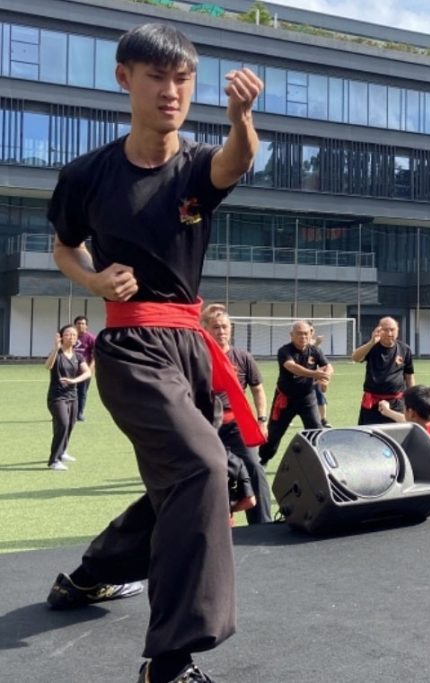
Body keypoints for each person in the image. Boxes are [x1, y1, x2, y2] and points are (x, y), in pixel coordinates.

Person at [45, 23, 264, 683]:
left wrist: (242, 119)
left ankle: (89, 577)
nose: (172, 91)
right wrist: (91, 279)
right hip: (130, 345)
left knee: (208, 479)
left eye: (183, 79)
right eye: (157, 77)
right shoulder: (87, 175)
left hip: (191, 347)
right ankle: (169, 660)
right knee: (201, 466)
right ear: (124, 79)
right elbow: (64, 246)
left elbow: (238, 161)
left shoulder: (199, 164)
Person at [201, 305, 273, 524]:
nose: (221, 331)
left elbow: (258, 389)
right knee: (206, 474)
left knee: (253, 467)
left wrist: (262, 420)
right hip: (205, 426)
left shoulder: (243, 357)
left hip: (237, 424)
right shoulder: (198, 357)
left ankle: (262, 524)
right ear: (205, 329)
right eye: (216, 327)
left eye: (225, 327)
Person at [258, 320, 334, 466]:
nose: (302, 336)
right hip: (285, 399)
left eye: (305, 333)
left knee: (316, 430)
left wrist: (326, 377)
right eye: (299, 333)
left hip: (307, 398)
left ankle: (320, 463)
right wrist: (315, 374)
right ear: (291, 335)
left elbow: (328, 366)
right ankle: (264, 459)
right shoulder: (284, 351)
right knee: (274, 433)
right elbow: (292, 367)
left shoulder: (315, 350)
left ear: (311, 334)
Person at [377, 385, 430, 503]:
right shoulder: (419, 425)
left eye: (404, 408)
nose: (403, 411)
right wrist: (388, 412)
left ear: (411, 412)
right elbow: (405, 420)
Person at [352, 316, 415, 426]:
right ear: (379, 330)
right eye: (385, 330)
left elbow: (409, 376)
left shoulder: (405, 349)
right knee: (370, 436)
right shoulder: (371, 346)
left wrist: (413, 398)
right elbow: (355, 358)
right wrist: (371, 342)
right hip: (372, 402)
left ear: (397, 330)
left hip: (396, 403)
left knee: (396, 435)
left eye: (392, 329)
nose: (389, 333)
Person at [45, 324, 92, 471]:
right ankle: (54, 460)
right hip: (57, 396)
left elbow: (87, 373)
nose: (71, 337)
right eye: (67, 334)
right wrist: (55, 347)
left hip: (73, 396)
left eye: (73, 335)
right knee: (63, 424)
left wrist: (74, 381)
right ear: (61, 336)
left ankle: (63, 451)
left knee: (71, 424)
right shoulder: (57, 354)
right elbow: (48, 366)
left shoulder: (78, 356)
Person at [72, 315, 96, 421]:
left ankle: (79, 413)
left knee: (82, 393)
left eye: (83, 324)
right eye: (78, 323)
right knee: (67, 392)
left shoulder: (91, 338)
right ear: (74, 325)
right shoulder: (70, 336)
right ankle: (66, 413)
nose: (80, 326)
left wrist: (90, 370)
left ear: (86, 326)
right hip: (69, 370)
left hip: (84, 371)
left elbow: (95, 356)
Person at [312, 332, 331, 428]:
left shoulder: (316, 348)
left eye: (311, 330)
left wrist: (325, 377)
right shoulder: (297, 345)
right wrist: (316, 344)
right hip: (299, 379)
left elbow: (327, 365)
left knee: (320, 397)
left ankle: (323, 419)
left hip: (314, 378)